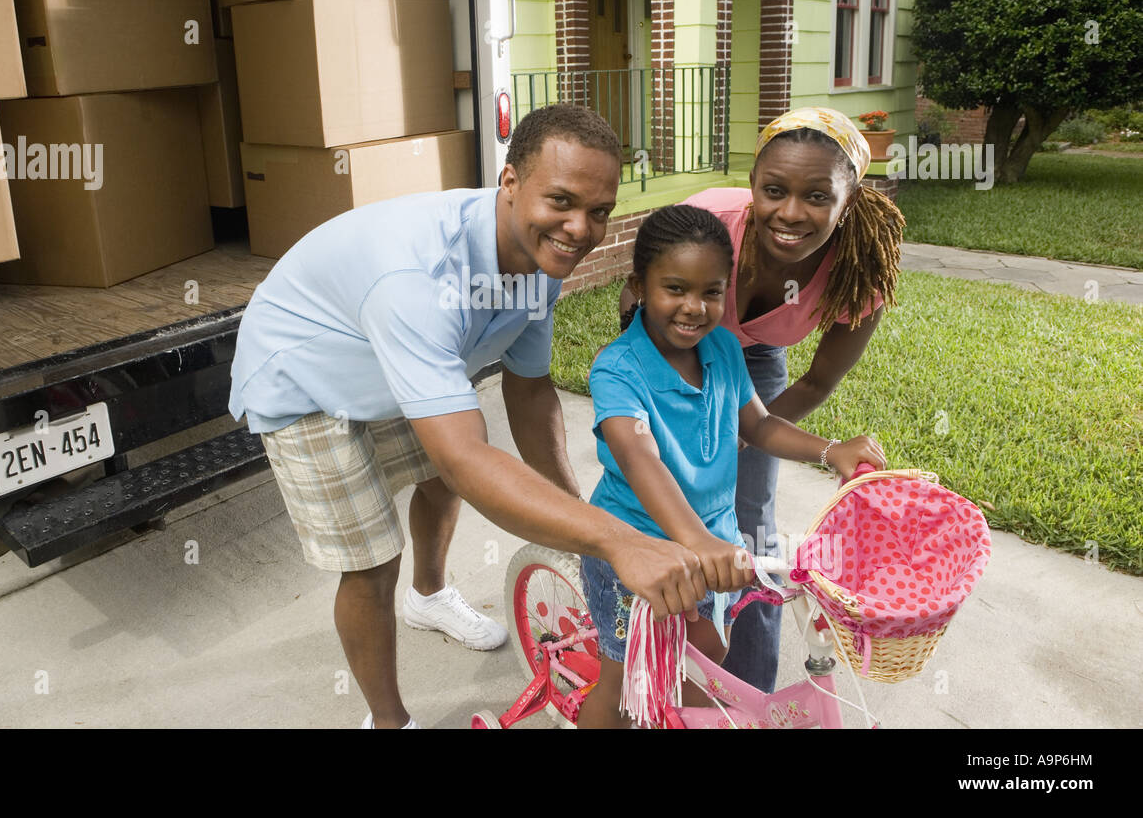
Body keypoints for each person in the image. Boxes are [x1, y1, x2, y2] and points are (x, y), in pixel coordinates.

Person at [229, 104, 713, 729]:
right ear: (509, 182)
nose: (580, 228)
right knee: (373, 558)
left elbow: (531, 392)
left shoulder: (539, 260)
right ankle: (387, 720)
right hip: (305, 376)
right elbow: (467, 455)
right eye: (562, 201)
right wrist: (614, 538)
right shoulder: (417, 276)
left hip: (388, 358)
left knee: (441, 477)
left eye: (599, 211)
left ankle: (429, 598)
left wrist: (583, 523)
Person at [618, 106, 905, 693]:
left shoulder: (859, 270)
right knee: (658, 497)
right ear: (752, 187)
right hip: (671, 346)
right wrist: (658, 387)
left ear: (850, 199)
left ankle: (746, 691)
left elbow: (817, 384)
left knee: (751, 535)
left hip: (755, 361)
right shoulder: (709, 223)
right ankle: (638, 647)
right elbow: (639, 300)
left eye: (818, 196)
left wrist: (749, 434)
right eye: (774, 190)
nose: (791, 213)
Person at [579, 204, 887, 729]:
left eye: (711, 291)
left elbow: (759, 426)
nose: (694, 307)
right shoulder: (618, 369)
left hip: (714, 542)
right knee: (622, 682)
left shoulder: (721, 346)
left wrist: (829, 449)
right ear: (639, 284)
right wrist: (698, 541)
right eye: (675, 289)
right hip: (636, 547)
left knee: (709, 656)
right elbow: (640, 458)